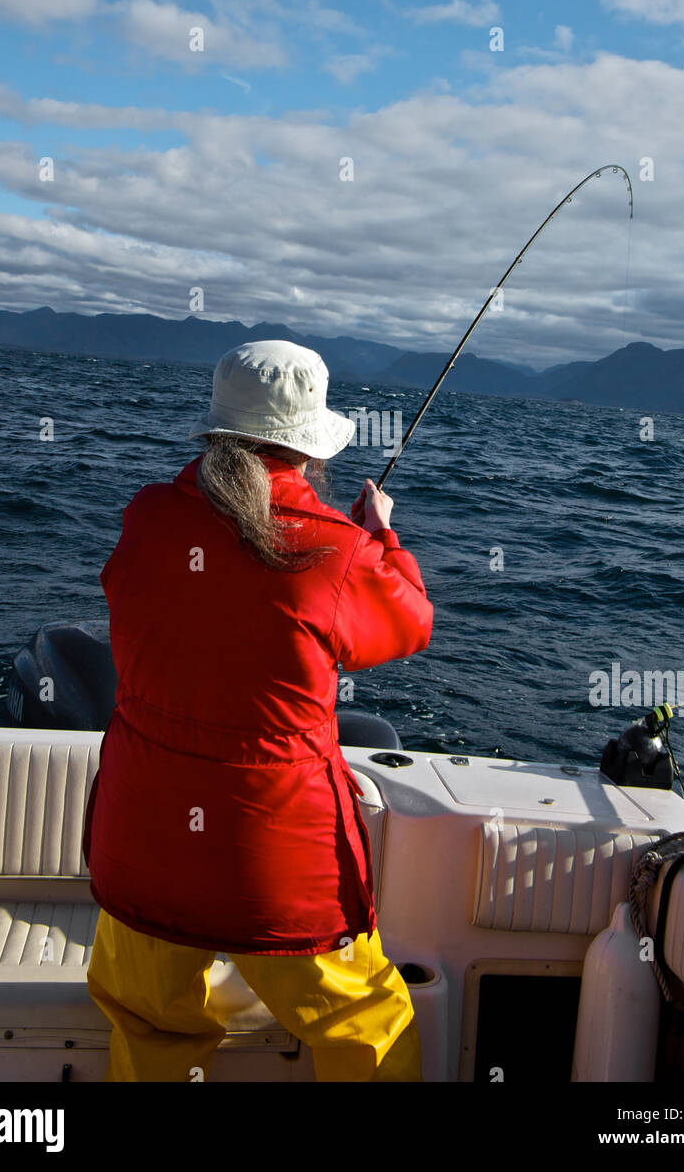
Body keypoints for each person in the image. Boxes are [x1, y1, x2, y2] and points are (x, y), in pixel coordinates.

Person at [84, 339, 434, 1081]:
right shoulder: (339, 552)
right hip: (276, 869)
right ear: (306, 449)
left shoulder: (146, 517)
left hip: (143, 847)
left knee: (153, 1032)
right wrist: (381, 540)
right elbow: (409, 625)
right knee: (366, 1032)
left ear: (216, 430)